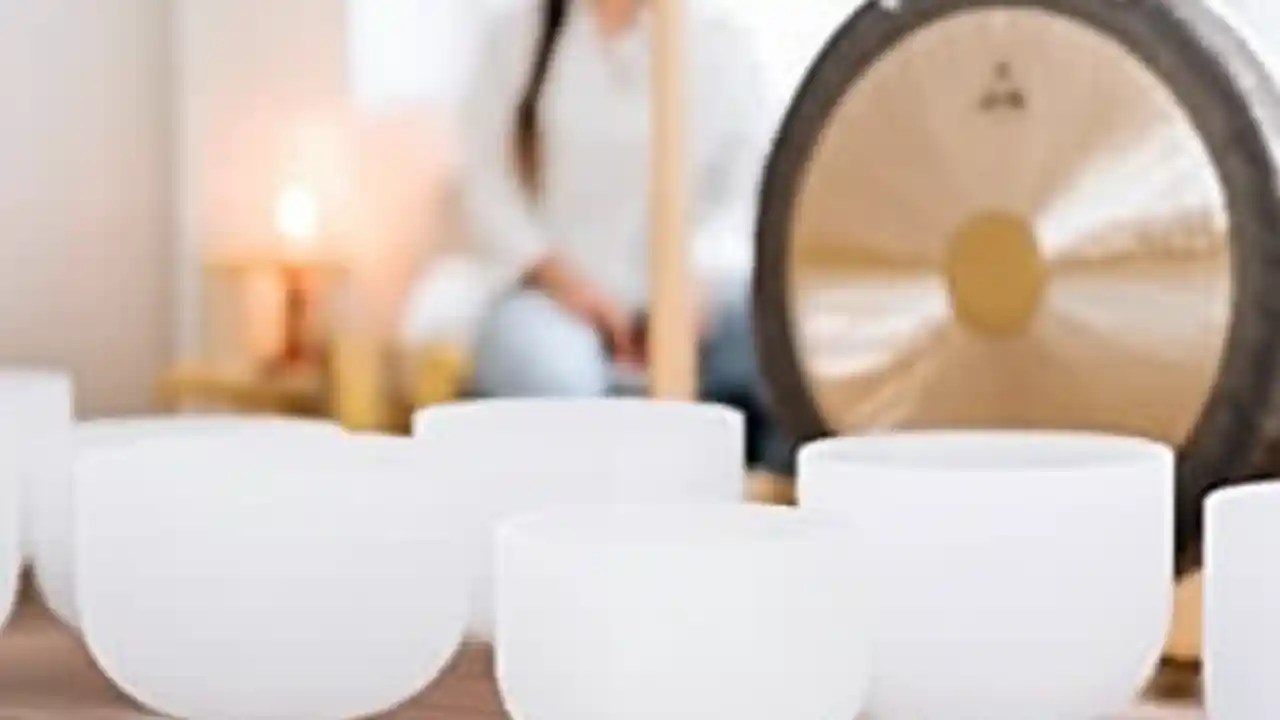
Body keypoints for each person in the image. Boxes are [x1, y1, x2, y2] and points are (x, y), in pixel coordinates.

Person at [461, 0, 786, 468]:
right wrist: (565, 282)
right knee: (549, 378)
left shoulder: (722, 45)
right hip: (557, 298)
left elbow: (747, 188)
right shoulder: (516, 38)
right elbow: (487, 186)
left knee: (788, 352)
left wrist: (695, 283)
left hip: (696, 299)